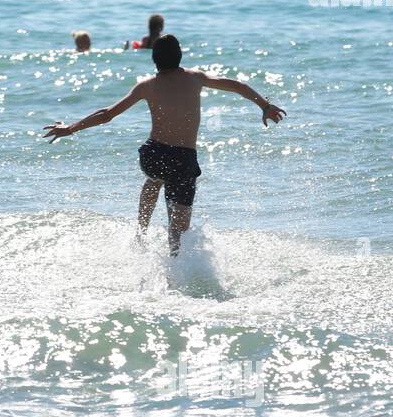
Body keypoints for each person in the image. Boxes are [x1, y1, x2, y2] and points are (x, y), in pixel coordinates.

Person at [42, 35, 286, 256]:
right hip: (183, 159)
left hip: (154, 153)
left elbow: (107, 114)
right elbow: (238, 86)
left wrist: (70, 128)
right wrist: (264, 105)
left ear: (154, 60)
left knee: (155, 179)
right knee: (178, 227)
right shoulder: (195, 78)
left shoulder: (146, 85)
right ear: (180, 55)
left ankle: (141, 230)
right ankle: (175, 263)